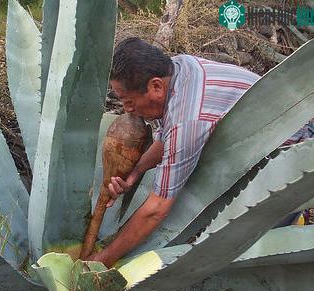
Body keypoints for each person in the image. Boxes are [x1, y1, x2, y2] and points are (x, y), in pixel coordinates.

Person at [87, 37, 280, 267]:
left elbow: (156, 210)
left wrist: (102, 260)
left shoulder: (187, 122)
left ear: (155, 86)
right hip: (252, 136)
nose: (127, 110)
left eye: (128, 101)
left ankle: (288, 217)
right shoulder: (178, 67)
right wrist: (137, 170)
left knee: (251, 240)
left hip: (286, 151)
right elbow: (169, 135)